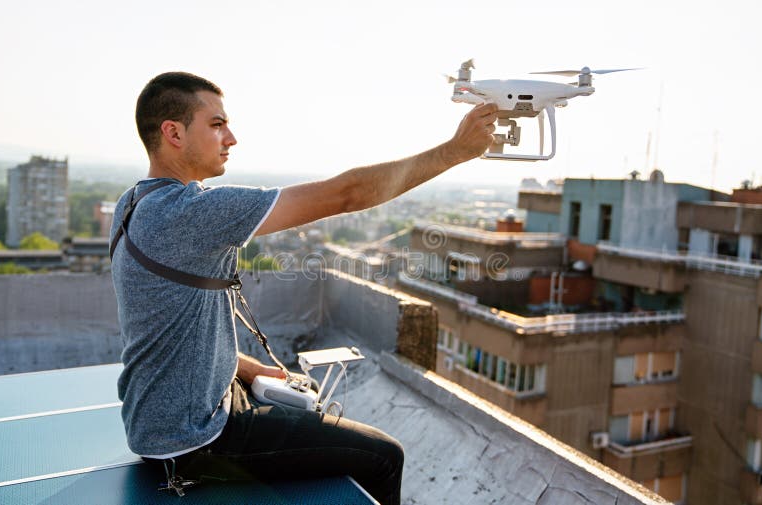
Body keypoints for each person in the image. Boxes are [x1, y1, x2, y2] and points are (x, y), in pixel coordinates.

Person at [110, 71, 497, 505]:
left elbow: (164, 327)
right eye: (217, 125)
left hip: (165, 419)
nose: (231, 138)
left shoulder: (133, 205)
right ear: (173, 133)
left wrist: (248, 368)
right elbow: (346, 194)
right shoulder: (191, 212)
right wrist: (455, 151)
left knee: (307, 409)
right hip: (196, 440)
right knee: (386, 456)